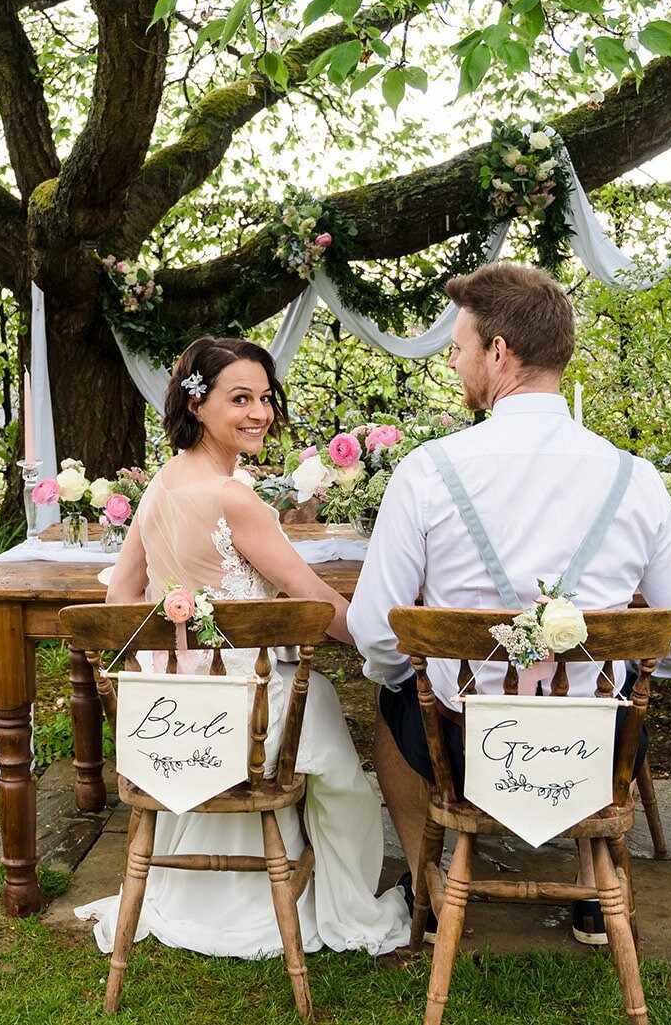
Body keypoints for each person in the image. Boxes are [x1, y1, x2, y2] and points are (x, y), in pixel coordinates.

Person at [346, 262, 671, 945]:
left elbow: (373, 631)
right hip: (590, 746)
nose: (455, 363)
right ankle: (589, 884)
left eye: (458, 348)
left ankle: (432, 883)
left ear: (498, 351)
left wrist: (422, 683)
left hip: (460, 745)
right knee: (619, 698)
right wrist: (622, 680)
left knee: (393, 698)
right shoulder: (634, 479)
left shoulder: (428, 472)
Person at [77, 336, 409, 959]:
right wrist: (386, 645)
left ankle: (238, 886)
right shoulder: (235, 496)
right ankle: (345, 903)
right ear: (196, 406)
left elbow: (120, 598)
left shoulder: (160, 486)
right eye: (240, 399)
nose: (259, 412)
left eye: (265, 398)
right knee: (342, 772)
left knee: (318, 709)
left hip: (174, 717)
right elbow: (310, 596)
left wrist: (168, 664)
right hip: (246, 712)